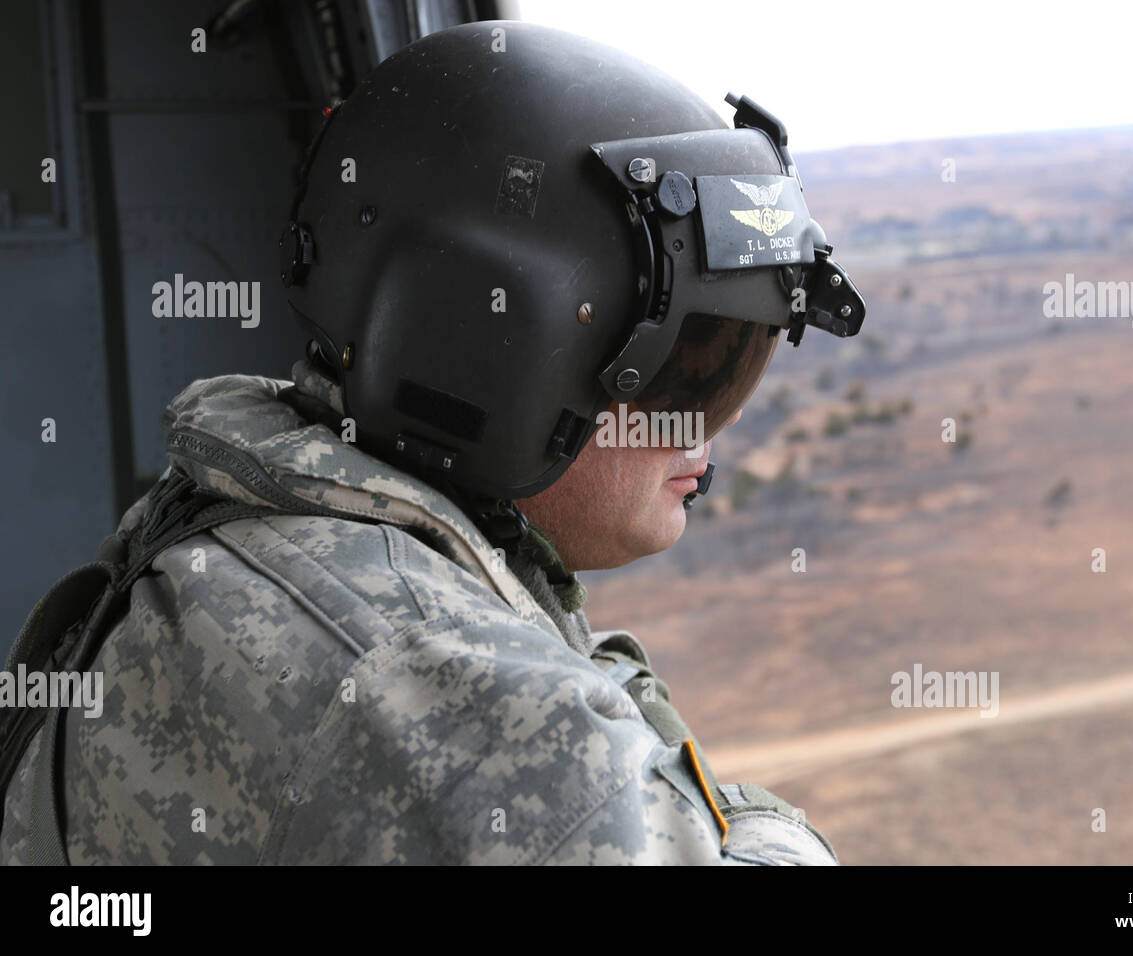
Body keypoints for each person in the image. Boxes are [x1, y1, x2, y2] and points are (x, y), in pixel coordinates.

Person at [1, 19, 864, 865]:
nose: (725, 417)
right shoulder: (443, 687)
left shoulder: (240, 515)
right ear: (497, 356)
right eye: (692, 367)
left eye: (740, 363)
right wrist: (756, 825)